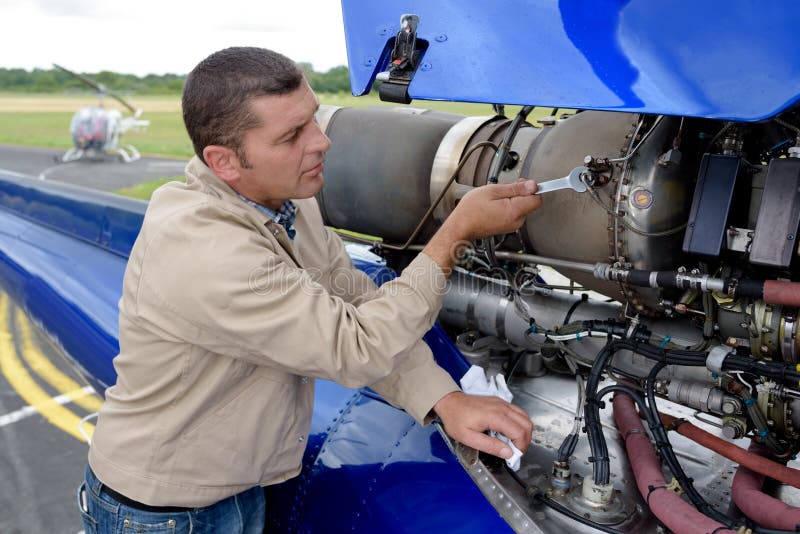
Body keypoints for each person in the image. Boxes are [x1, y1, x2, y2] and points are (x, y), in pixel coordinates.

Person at [78, 46, 542, 533]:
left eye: (314, 120)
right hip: (167, 513)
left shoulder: (284, 202)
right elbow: (358, 347)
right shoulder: (208, 250)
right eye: (292, 135)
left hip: (234, 488)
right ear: (225, 162)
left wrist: (442, 399)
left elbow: (358, 303)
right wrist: (453, 236)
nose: (321, 142)